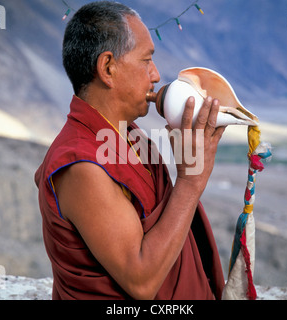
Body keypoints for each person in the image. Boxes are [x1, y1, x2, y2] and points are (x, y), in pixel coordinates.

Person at [35, 1, 226, 300]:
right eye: (146, 60)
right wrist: (191, 180)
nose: (155, 75)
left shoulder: (128, 136)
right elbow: (141, 281)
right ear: (108, 68)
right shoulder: (82, 166)